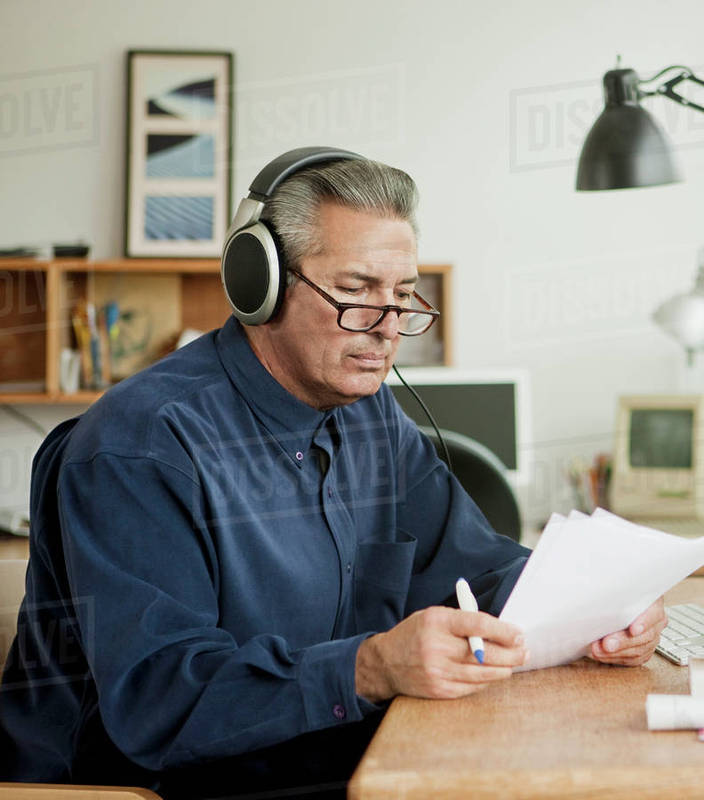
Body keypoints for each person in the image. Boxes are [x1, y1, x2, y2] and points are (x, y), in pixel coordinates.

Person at [0, 150, 667, 797]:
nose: (385, 327)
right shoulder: (143, 446)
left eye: (403, 296)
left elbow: (473, 564)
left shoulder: (371, 417)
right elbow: (162, 701)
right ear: (258, 282)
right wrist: (370, 667)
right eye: (354, 290)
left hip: (337, 764)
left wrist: (597, 604)